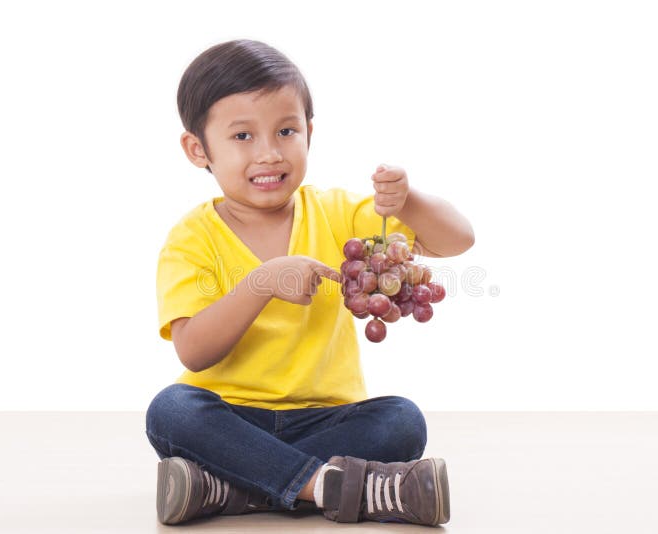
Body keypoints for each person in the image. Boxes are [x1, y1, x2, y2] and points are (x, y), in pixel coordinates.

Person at [145, 39, 474, 527]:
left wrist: (408, 201)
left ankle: (233, 489)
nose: (269, 153)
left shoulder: (338, 213)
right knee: (171, 410)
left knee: (402, 420)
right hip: (231, 419)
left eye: (285, 130)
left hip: (328, 419)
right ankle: (332, 487)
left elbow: (458, 240)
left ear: (309, 133)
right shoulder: (190, 238)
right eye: (242, 136)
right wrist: (260, 283)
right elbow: (193, 352)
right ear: (198, 149)